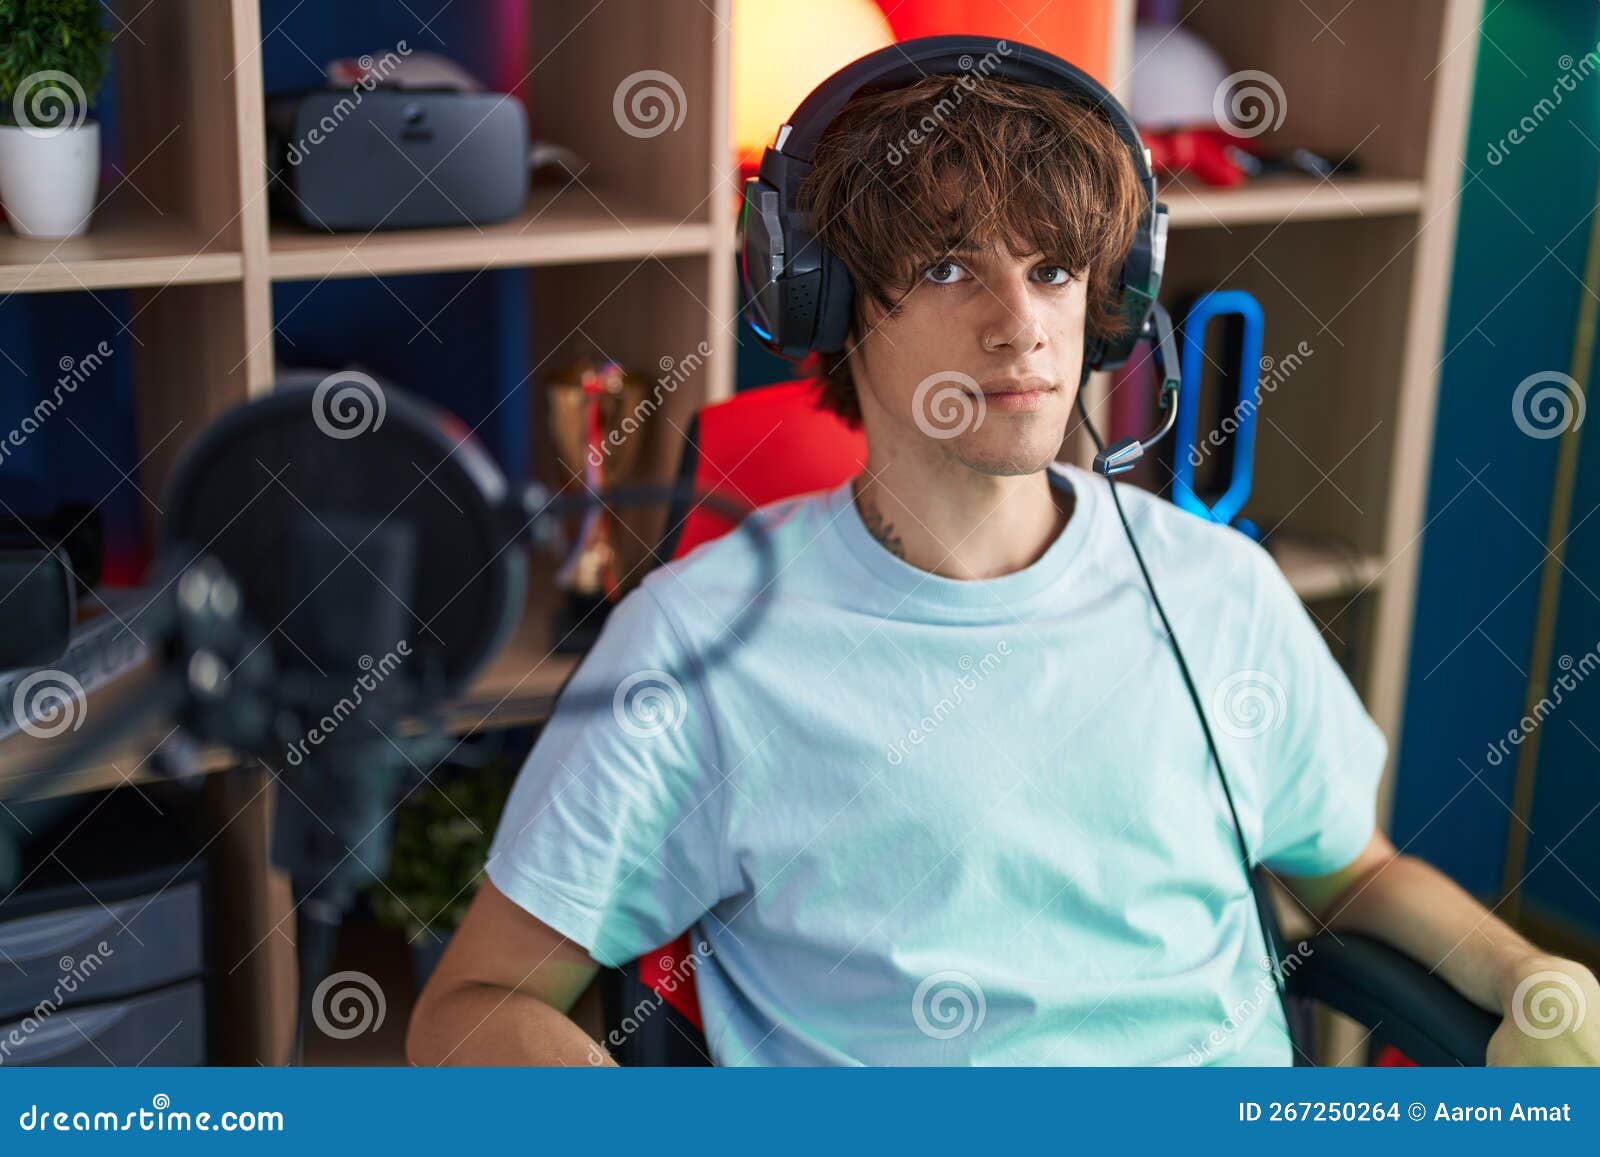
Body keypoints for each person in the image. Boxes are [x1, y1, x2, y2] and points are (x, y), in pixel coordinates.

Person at [407, 70, 1600, 1067]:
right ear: (819, 297)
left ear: (1110, 294)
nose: (1021, 325)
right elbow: (472, 1010)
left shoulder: (1219, 593)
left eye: (1054, 270)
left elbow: (1352, 875)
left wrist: (1532, 977)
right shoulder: (696, 639)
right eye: (945, 269)